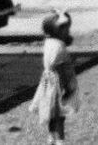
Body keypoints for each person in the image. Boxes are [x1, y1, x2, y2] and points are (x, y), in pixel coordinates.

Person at [29, 11, 78, 144]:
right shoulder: (59, 46)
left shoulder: (49, 42)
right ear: (60, 30)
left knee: (51, 112)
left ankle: (51, 137)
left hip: (47, 81)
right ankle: (60, 141)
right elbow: (61, 67)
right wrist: (68, 87)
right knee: (59, 115)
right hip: (58, 83)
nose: (68, 31)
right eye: (67, 28)